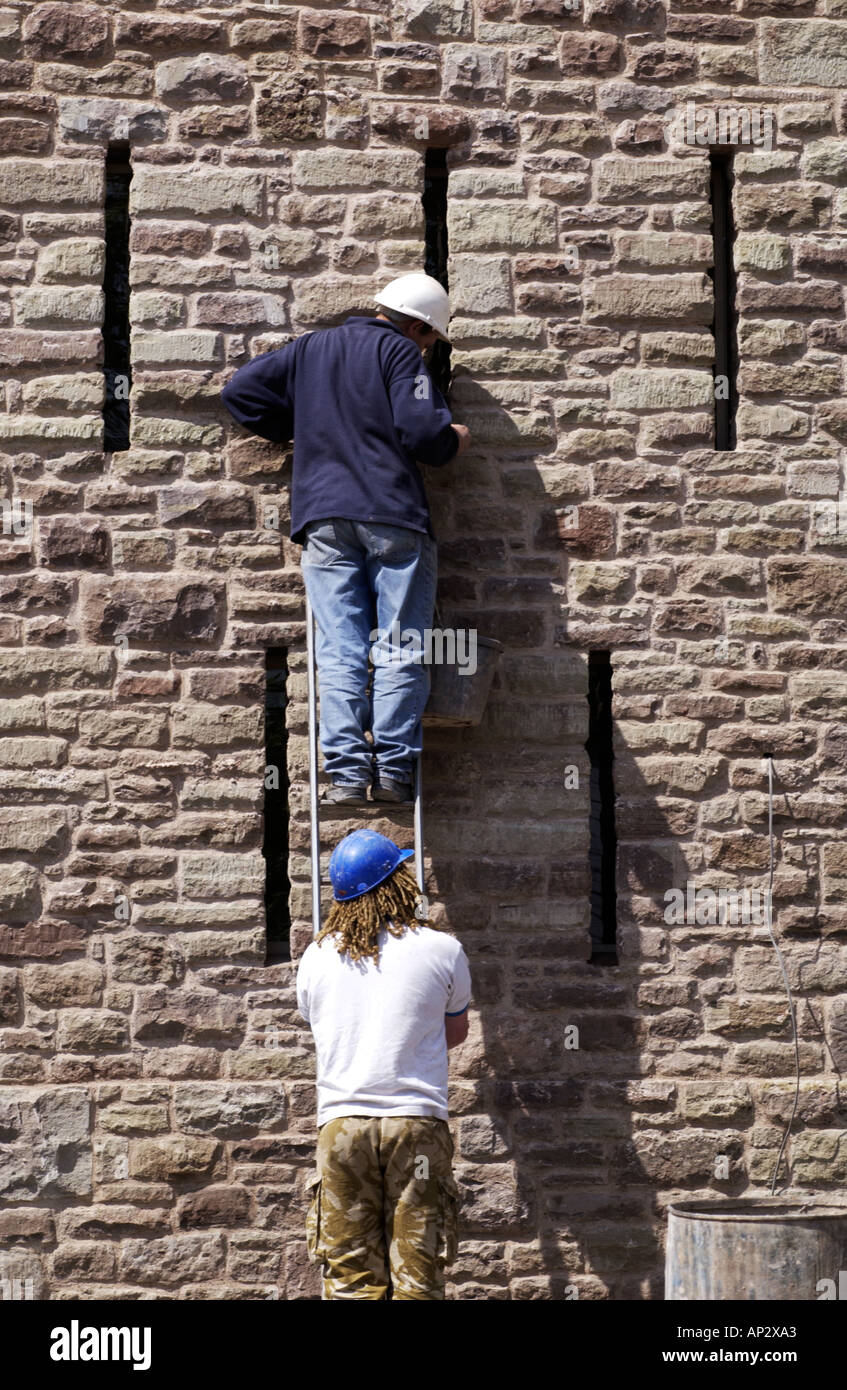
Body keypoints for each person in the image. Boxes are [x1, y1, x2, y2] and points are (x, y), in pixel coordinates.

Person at [221, 274, 472, 806]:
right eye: (430, 338)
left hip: (324, 519)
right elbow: (421, 432)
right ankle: (393, 771)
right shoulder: (404, 357)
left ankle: (347, 775)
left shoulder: (310, 348)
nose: (426, 348)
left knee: (340, 649)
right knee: (400, 646)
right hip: (393, 515)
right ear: (416, 325)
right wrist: (452, 439)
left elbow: (240, 392)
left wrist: (304, 426)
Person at [296, 828, 472, 1300]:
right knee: (418, 1274)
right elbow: (456, 1033)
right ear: (399, 884)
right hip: (416, 1124)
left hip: (342, 1128)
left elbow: (323, 1031)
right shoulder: (443, 950)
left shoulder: (315, 957)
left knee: (351, 1278)